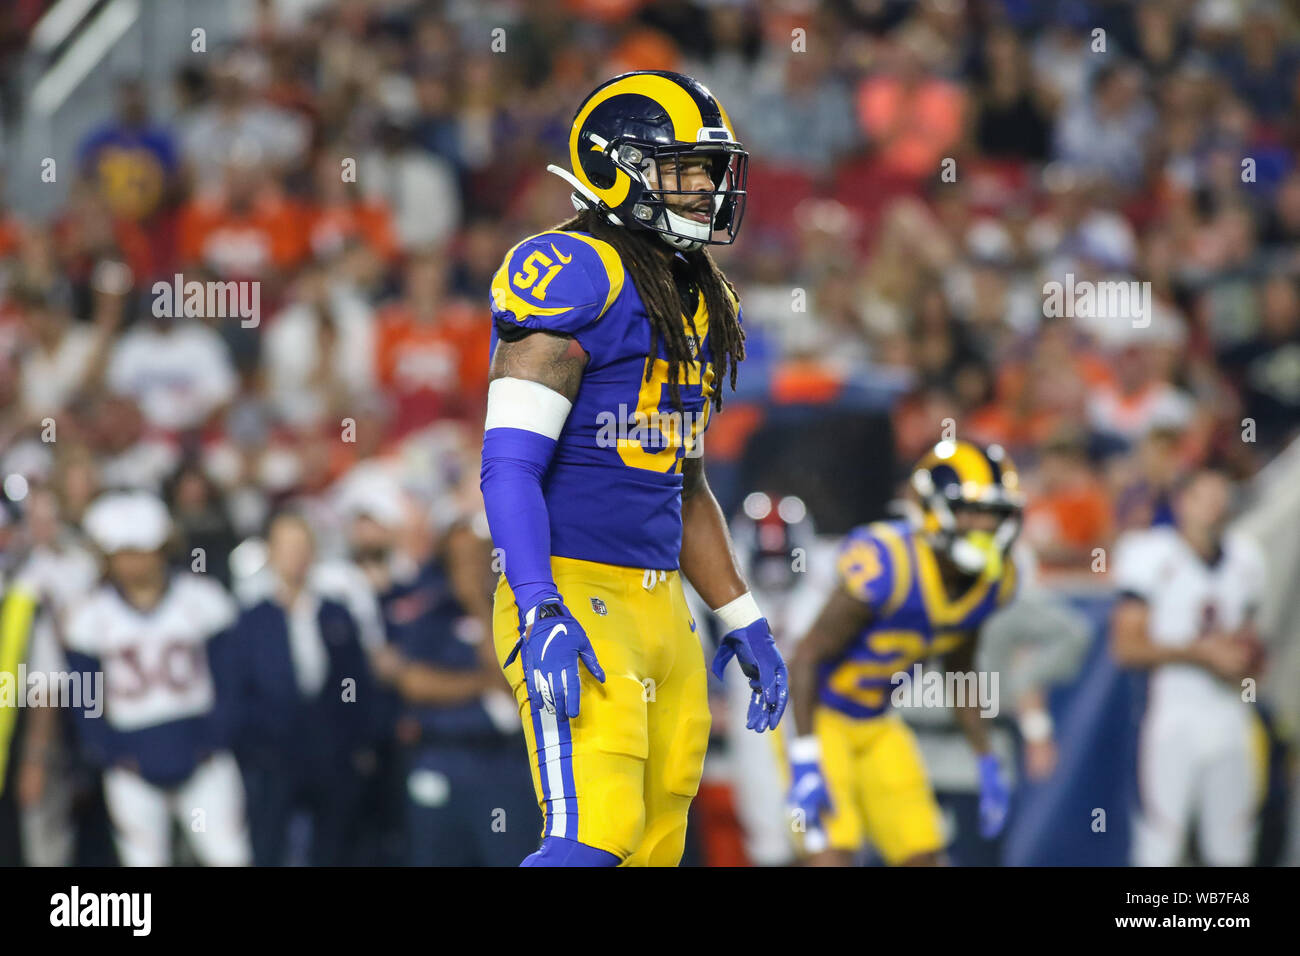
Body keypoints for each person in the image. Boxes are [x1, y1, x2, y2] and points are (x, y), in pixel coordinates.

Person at [479, 71, 788, 867]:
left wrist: (743, 616)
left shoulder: (694, 293)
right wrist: (539, 605)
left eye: (709, 170)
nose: (706, 189)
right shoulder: (571, 271)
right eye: (684, 169)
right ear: (616, 165)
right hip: (577, 590)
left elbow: (683, 485)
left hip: (663, 607)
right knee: (593, 838)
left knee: (654, 847)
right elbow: (507, 467)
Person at [786, 440, 1023, 865]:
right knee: (830, 856)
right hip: (819, 715)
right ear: (935, 508)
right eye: (973, 511)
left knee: (924, 856)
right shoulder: (889, 563)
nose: (986, 526)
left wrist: (986, 757)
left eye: (995, 513)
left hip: (877, 721)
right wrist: (805, 757)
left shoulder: (993, 583)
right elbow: (806, 657)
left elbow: (960, 668)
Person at [64, 491, 250, 866]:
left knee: (227, 855)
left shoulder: (202, 599)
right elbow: (85, 697)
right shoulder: (88, 617)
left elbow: (232, 681)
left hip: (203, 754)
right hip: (131, 758)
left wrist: (213, 739)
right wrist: (111, 751)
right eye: (124, 552)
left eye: (141, 550)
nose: (133, 562)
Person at [1110, 465, 1269, 866]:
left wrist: (1243, 660)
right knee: (1159, 845)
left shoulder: (1247, 558)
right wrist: (1200, 655)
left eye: (1222, 498)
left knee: (1232, 848)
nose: (1215, 508)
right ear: (1183, 503)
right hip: (1172, 716)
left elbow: (1254, 648)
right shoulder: (1151, 553)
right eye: (1206, 498)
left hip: (1232, 714)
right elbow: (1125, 647)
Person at [228, 512, 375, 866]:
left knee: (334, 845)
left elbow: (356, 682)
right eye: (286, 547)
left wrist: (360, 743)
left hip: (330, 750)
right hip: (271, 755)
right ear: (271, 553)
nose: (295, 556)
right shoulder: (251, 619)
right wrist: (252, 748)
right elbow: (236, 689)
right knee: (269, 845)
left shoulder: (335, 613)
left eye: (301, 547)